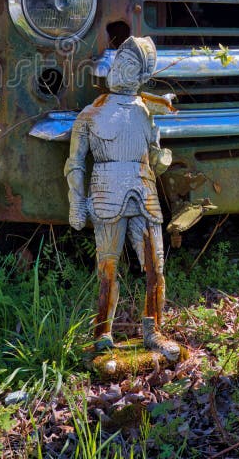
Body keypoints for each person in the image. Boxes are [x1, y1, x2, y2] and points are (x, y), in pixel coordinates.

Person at [65, 36, 179, 360]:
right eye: (122, 63)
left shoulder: (145, 112)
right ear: (113, 67)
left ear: (143, 77)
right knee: (108, 267)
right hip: (106, 191)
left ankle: (153, 330)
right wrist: (76, 202)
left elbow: (154, 159)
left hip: (144, 191)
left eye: (135, 68)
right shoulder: (91, 113)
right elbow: (74, 162)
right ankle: (103, 335)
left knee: (155, 265)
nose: (124, 72)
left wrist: (160, 154)